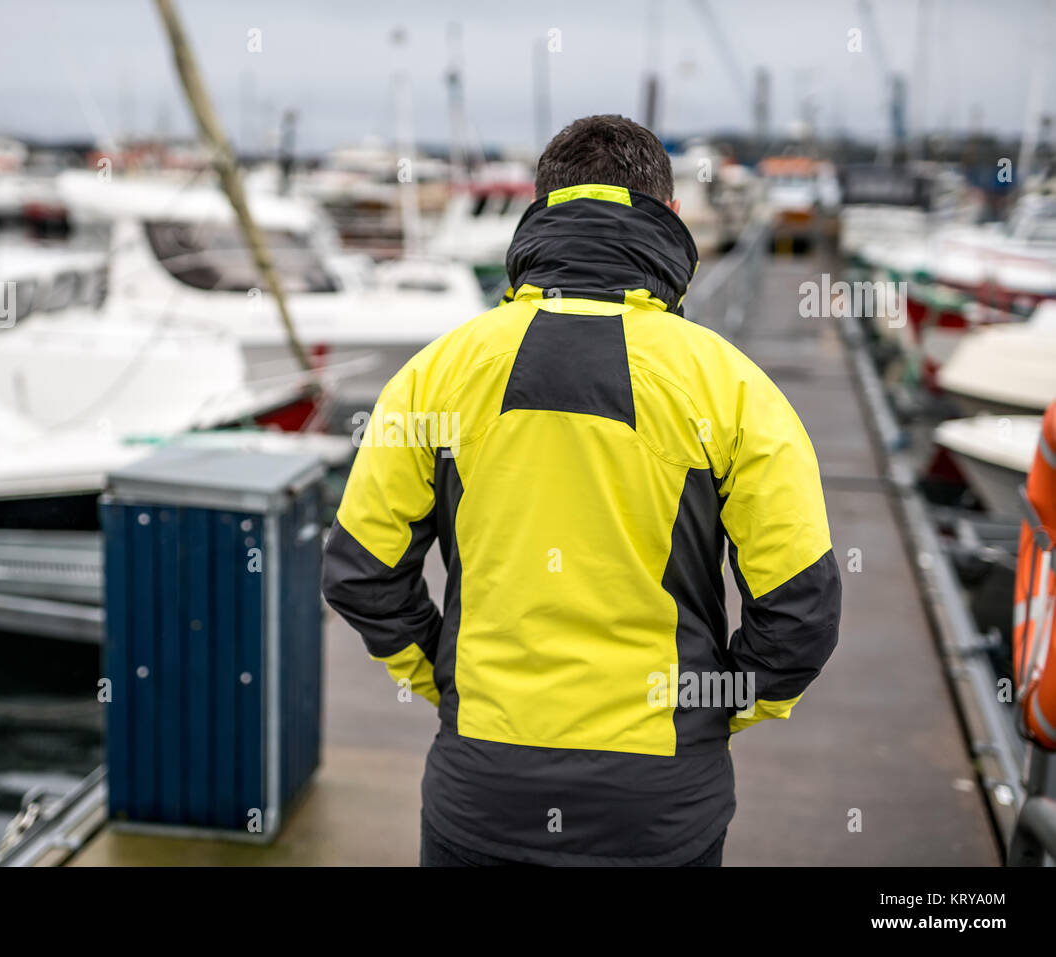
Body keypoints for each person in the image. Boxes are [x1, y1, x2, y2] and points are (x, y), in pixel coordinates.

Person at [321, 115, 841, 867]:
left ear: (541, 209)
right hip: (660, 803)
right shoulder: (732, 387)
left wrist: (449, 679)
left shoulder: (436, 374)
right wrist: (713, 707)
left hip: (484, 792)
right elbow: (800, 614)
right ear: (668, 217)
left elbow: (361, 572)